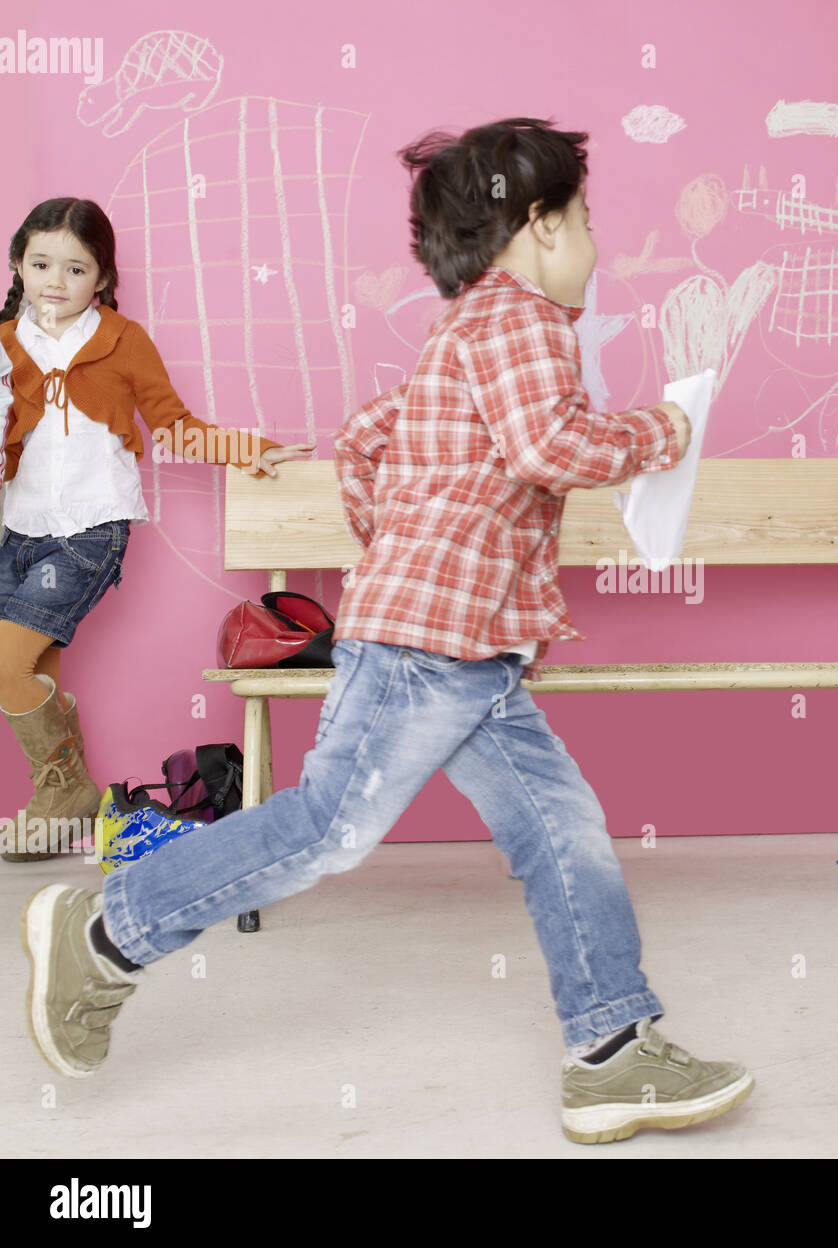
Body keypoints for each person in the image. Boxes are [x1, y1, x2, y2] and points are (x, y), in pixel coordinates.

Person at [20, 119, 754, 1144]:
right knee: (330, 826)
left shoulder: (460, 329)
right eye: (585, 221)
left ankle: (611, 1051)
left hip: (465, 648)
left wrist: (404, 554)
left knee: (561, 830)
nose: (595, 244)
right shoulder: (523, 320)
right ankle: (108, 932)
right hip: (428, 649)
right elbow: (549, 445)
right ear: (537, 227)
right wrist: (665, 431)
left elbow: (367, 440)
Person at [0, 198, 306, 863]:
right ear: (18, 265)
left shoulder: (122, 338)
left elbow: (173, 425)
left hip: (88, 531)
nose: (55, 280)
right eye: (41, 263)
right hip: (15, 530)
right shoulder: (4, 343)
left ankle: (67, 791)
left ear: (103, 278)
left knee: (5, 665)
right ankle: (59, 801)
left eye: (75, 269)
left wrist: (248, 448)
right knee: (34, 675)